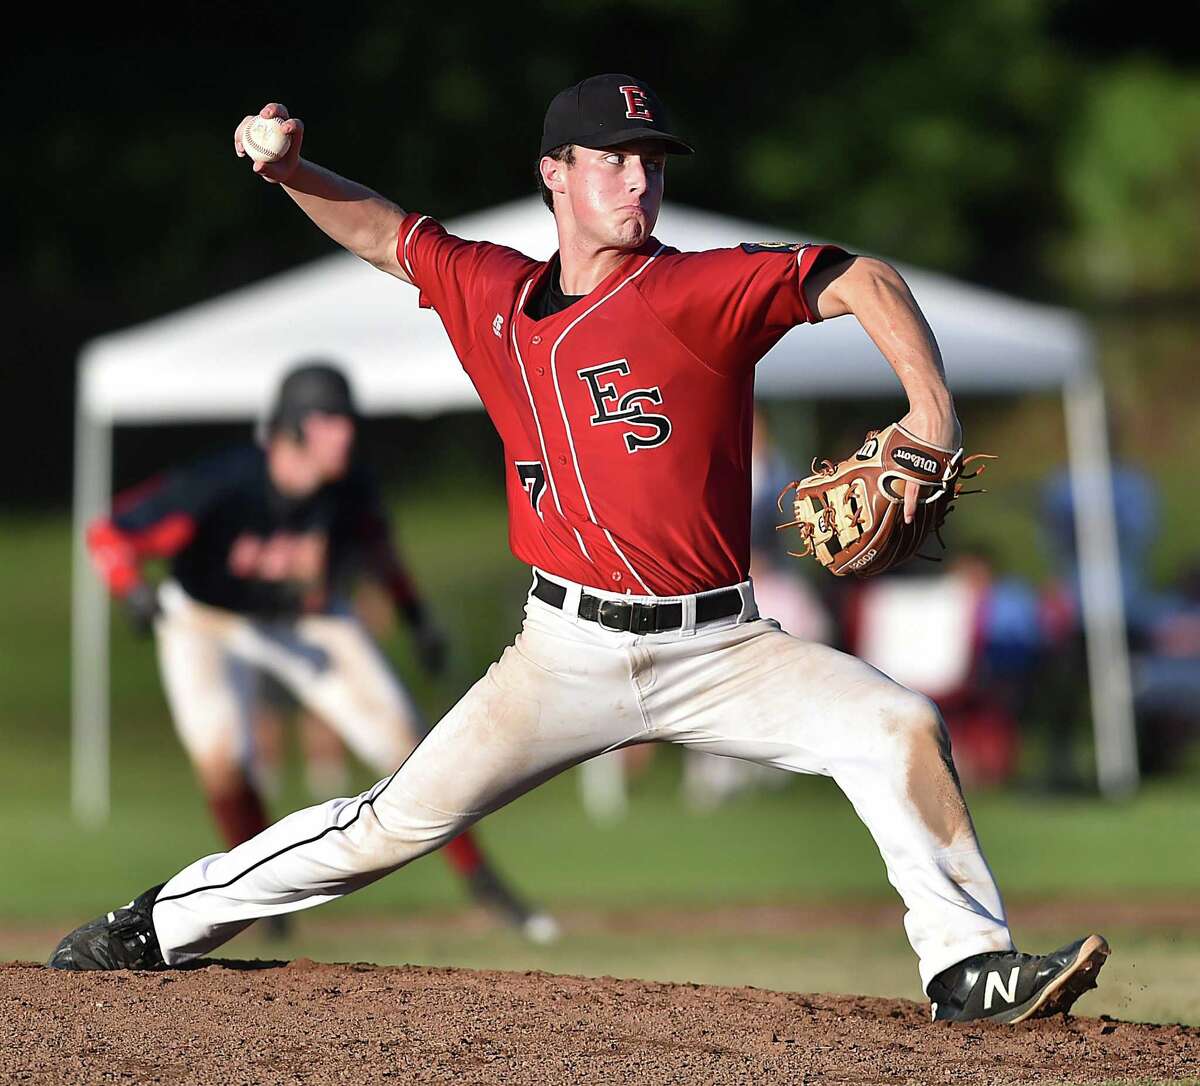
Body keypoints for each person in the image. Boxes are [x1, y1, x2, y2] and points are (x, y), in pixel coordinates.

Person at [50, 75, 1107, 1024]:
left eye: (653, 162)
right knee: (384, 825)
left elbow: (860, 276)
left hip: (723, 648)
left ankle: (969, 969)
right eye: (614, 159)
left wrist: (932, 411)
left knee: (897, 725)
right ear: (554, 174)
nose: (640, 181)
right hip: (562, 653)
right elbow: (383, 233)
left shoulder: (697, 292)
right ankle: (156, 925)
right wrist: (288, 171)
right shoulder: (490, 291)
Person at [81, 361, 556, 942]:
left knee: (406, 742)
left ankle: (483, 883)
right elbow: (109, 532)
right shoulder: (225, 482)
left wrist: (417, 620)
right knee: (223, 757)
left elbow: (381, 552)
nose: (346, 432)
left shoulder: (347, 487)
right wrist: (130, 588)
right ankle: (262, 906)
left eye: (346, 418)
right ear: (292, 427)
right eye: (329, 419)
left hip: (304, 619)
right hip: (206, 619)